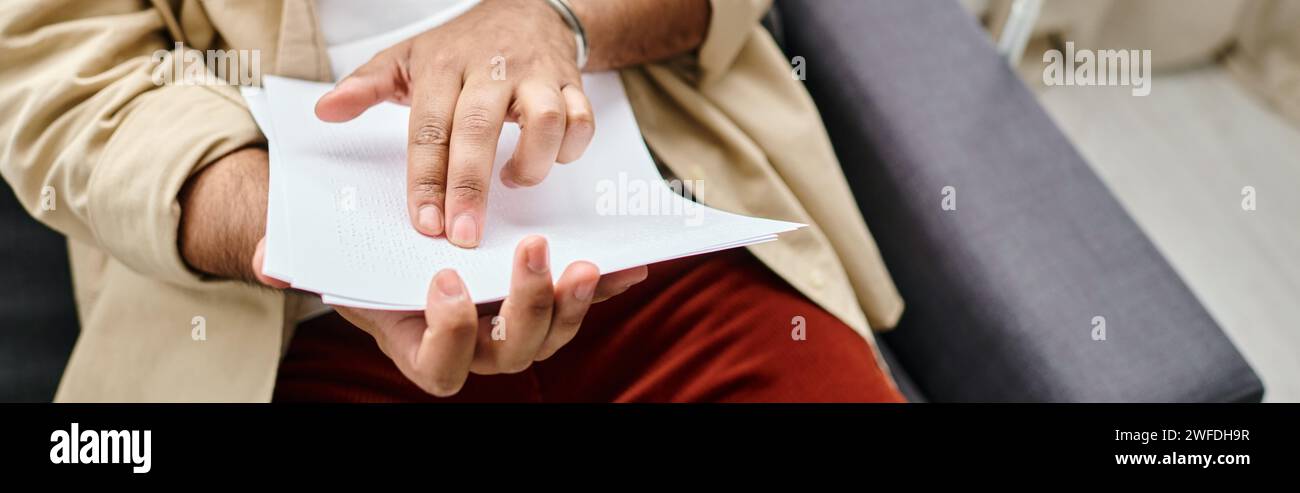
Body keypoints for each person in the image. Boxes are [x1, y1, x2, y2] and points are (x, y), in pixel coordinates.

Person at [0, 0, 905, 402]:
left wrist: (557, 17)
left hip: (665, 238)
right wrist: (306, 234)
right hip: (283, 328)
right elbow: (56, 71)